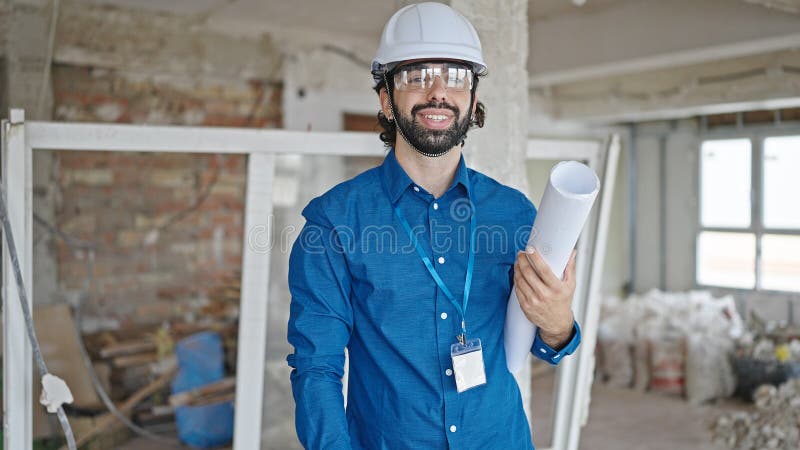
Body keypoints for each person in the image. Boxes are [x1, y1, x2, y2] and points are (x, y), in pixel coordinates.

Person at [287, 3, 581, 449]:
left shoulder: (515, 213)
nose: (438, 92)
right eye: (417, 76)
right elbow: (317, 368)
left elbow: (545, 342)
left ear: (474, 100)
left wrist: (558, 323)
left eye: (457, 76)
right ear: (386, 98)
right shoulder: (333, 223)